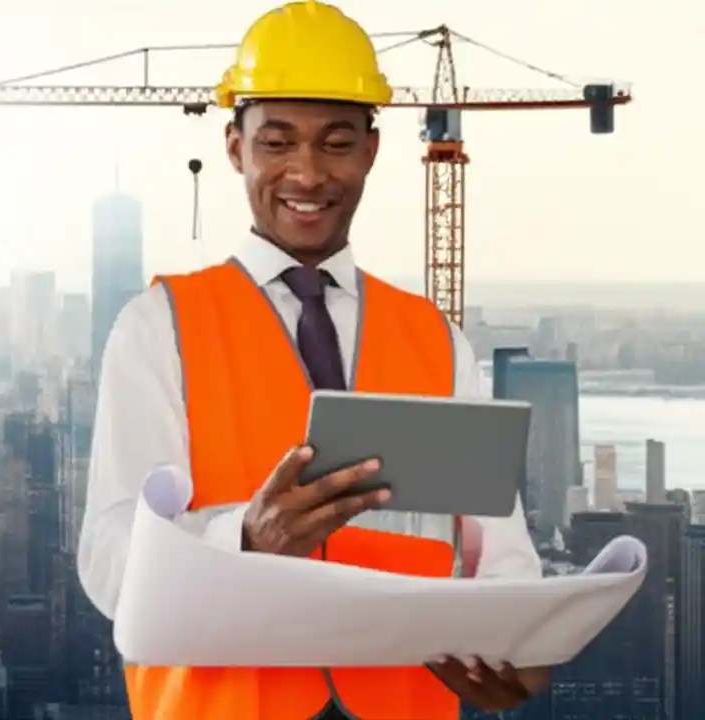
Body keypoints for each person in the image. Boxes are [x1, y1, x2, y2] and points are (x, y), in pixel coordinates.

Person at [76, 2, 551, 719]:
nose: (307, 173)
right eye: (277, 143)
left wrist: (519, 643)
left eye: (336, 143)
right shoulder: (159, 327)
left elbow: (499, 552)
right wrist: (243, 538)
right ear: (235, 147)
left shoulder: (434, 337)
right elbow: (110, 560)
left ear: (371, 150)